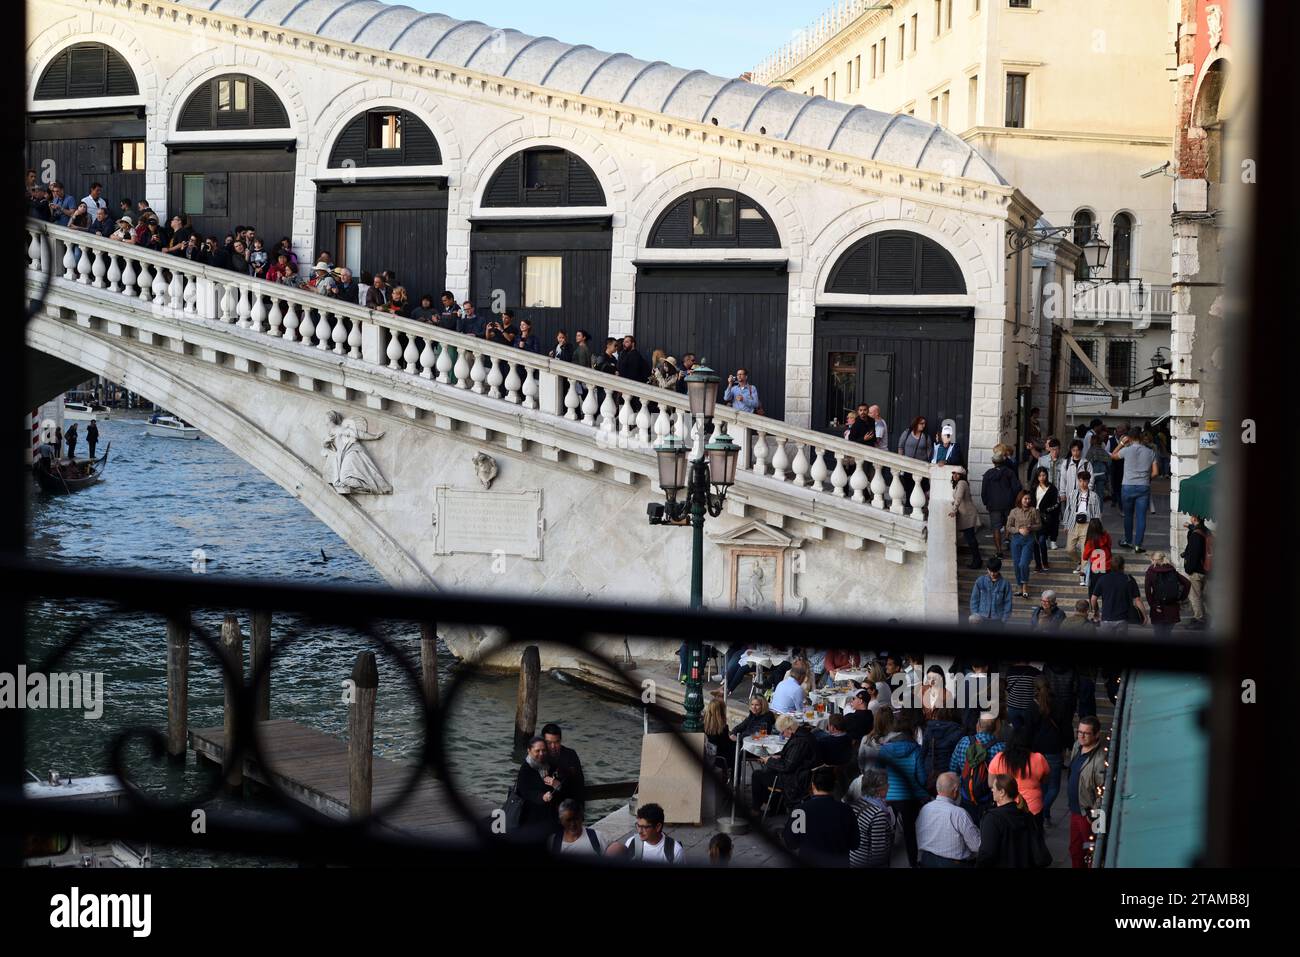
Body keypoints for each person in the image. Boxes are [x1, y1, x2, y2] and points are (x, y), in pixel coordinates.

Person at [876, 709, 928, 867]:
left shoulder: (885, 749)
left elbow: (880, 774)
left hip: (890, 796)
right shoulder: (916, 750)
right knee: (910, 832)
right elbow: (922, 778)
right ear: (911, 731)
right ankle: (913, 862)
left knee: (888, 832)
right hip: (910, 798)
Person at [783, 765, 860, 866]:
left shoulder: (800, 811)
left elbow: (790, 842)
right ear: (834, 786)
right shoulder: (846, 810)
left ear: (813, 785)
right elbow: (854, 844)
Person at [976, 775, 1051, 868]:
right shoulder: (1027, 815)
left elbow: (987, 853)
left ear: (1002, 792)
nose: (992, 790)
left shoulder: (992, 819)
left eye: (994, 787)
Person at [916, 772, 981, 867]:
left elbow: (919, 835)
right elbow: (977, 846)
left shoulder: (925, 809)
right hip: (953, 864)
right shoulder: (959, 813)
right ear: (955, 791)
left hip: (926, 860)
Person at [752, 715, 816, 810]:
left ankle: (756, 808)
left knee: (757, 775)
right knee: (767, 770)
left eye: (783, 732)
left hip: (795, 779)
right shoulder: (804, 734)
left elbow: (787, 766)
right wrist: (778, 757)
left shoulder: (799, 742)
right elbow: (794, 758)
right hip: (800, 773)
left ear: (789, 728)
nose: (783, 735)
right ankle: (775, 805)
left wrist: (768, 760)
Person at [1066, 715, 1107, 868]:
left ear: (1096, 734)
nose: (1081, 736)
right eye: (1079, 732)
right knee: (1075, 850)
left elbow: (1103, 790)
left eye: (1086, 733)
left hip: (1088, 815)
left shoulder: (1100, 758)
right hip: (1075, 811)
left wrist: (1093, 814)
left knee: (1091, 852)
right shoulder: (1077, 746)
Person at [950, 713, 1005, 823]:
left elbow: (953, 769)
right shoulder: (1002, 747)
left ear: (978, 725)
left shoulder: (964, 742)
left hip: (967, 798)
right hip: (991, 800)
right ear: (997, 727)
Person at [1026, 676, 1067, 827]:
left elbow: (1028, 730)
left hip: (1036, 751)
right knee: (1054, 787)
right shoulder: (1059, 704)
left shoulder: (1031, 706)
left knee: (1041, 785)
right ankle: (1044, 812)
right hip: (1054, 750)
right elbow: (1064, 727)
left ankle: (1042, 813)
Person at [1111, 428, 1159, 552]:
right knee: (1141, 517)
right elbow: (1155, 472)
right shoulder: (1150, 452)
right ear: (1142, 438)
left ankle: (1127, 540)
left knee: (1128, 515)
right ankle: (1138, 545)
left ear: (1130, 438)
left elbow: (1113, 455)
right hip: (1143, 486)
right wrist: (1146, 478)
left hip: (1127, 486)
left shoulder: (1126, 450)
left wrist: (1121, 444)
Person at [846, 767, 894, 868]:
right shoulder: (878, 814)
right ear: (878, 790)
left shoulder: (857, 803)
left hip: (854, 859)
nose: (889, 787)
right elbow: (878, 853)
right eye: (887, 785)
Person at [514, 736, 559, 840]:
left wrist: (556, 784)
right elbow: (525, 791)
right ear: (529, 751)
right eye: (537, 751)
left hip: (549, 812)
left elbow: (561, 784)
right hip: (530, 813)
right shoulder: (526, 768)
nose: (541, 754)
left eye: (543, 750)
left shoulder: (550, 765)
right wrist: (542, 797)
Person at [1090, 555, 1148, 633]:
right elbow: (1137, 600)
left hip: (1107, 617)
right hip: (1122, 618)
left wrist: (1096, 611)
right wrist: (1144, 616)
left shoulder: (1103, 579)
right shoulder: (1129, 579)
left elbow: (1093, 599)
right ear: (1123, 566)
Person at [981, 450, 1022, 559]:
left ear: (993, 462)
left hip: (993, 505)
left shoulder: (988, 474)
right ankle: (1007, 539)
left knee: (996, 528)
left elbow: (983, 491)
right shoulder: (1009, 472)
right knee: (1009, 524)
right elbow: (1016, 487)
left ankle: (999, 551)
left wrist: (986, 502)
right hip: (1008, 503)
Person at [1065, 471, 1103, 579]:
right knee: (1069, 549)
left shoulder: (1094, 496)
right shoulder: (1073, 494)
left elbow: (1097, 512)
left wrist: (1097, 528)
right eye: (1080, 481)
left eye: (1085, 481)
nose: (1082, 483)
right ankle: (1079, 562)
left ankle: (1083, 575)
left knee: (1084, 549)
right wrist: (1066, 524)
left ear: (1088, 481)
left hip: (1087, 524)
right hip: (1074, 523)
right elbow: (1068, 509)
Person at [1144, 551, 1191, 638]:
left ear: (1154, 560)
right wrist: (1181, 598)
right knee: (1167, 635)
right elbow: (1187, 583)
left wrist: (1153, 605)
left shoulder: (1151, 572)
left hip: (1158, 609)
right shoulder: (1171, 570)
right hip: (1172, 608)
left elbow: (1147, 591)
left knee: (1158, 636)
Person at [1005, 489, 1042, 599]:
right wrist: (1018, 530)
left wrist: (1031, 527)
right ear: (1020, 499)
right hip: (1016, 539)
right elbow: (1008, 526)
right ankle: (1019, 587)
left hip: (1029, 539)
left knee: (1023, 564)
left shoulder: (1033, 511)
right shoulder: (1014, 511)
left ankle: (1025, 585)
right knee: (1016, 565)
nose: (1027, 501)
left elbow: (1039, 525)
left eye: (1029, 499)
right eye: (1025, 498)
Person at [541, 723, 585, 807]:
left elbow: (579, 785)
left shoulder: (570, 755)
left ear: (560, 740)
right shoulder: (538, 757)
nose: (553, 746)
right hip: (544, 807)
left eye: (556, 742)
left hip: (566, 806)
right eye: (549, 743)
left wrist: (559, 785)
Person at [1181, 515, 1212, 628]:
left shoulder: (1196, 535)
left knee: (1195, 596)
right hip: (1207, 569)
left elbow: (1193, 554)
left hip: (1197, 571)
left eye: (1191, 517)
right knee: (1203, 595)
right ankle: (1204, 617)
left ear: (1194, 518)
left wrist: (1189, 569)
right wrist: (1190, 528)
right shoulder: (1207, 531)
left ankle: (1199, 619)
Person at [1029, 466, 1061, 572]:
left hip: (1045, 518)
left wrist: (1047, 510)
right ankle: (1038, 564)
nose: (1042, 477)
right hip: (1034, 517)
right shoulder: (1034, 487)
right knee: (1035, 541)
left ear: (1046, 476)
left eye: (1044, 475)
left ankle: (1045, 561)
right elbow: (1030, 501)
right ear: (1037, 477)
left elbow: (1056, 503)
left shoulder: (1052, 488)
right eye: (1040, 476)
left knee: (1042, 540)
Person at [950, 466, 982, 569]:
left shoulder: (962, 483)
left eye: (957, 474)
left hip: (968, 514)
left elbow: (959, 498)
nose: (955, 475)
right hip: (965, 514)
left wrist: (954, 510)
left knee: (971, 539)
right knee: (970, 538)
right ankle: (977, 560)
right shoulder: (959, 484)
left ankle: (977, 561)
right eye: (954, 473)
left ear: (962, 475)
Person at [968, 557, 1012, 626]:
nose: (992, 574)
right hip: (981, 618)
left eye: (995, 571)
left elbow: (1008, 602)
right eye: (990, 571)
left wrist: (1004, 619)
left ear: (999, 570)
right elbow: (974, 599)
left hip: (998, 620)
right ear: (987, 569)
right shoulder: (980, 581)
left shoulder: (1005, 584)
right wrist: (975, 614)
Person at [1081, 517, 1113, 589]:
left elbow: (1085, 557)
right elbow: (1110, 545)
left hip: (1096, 570)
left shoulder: (1090, 542)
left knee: (1093, 592)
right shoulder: (1106, 536)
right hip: (1107, 567)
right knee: (1106, 590)